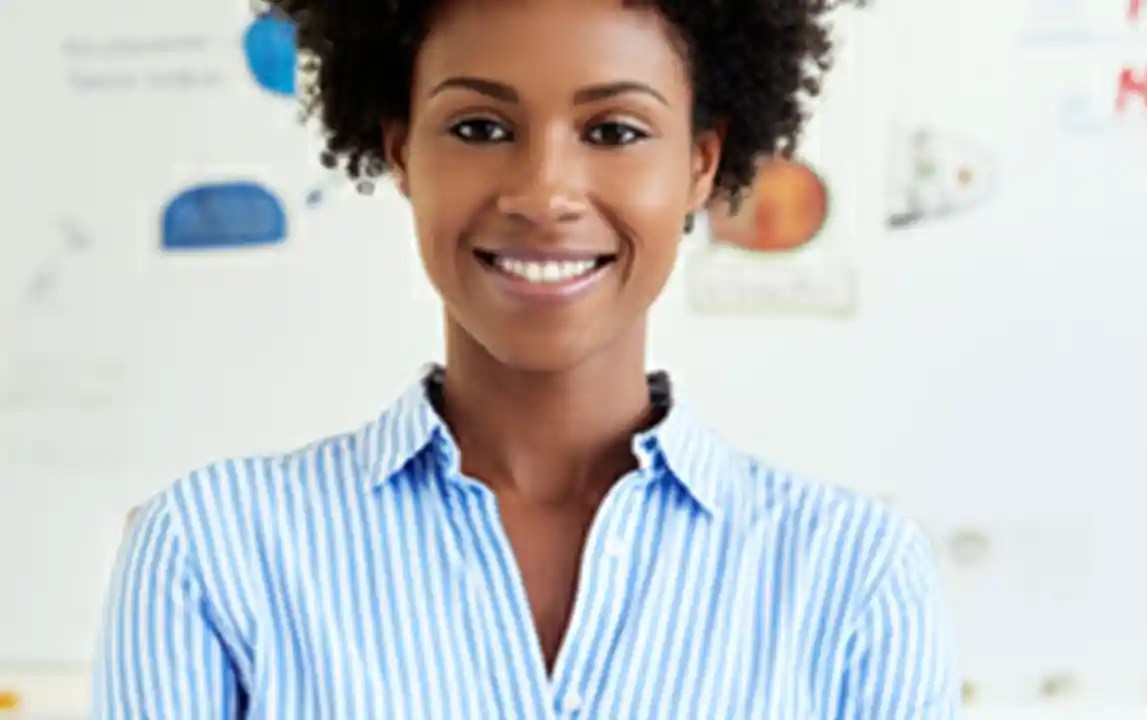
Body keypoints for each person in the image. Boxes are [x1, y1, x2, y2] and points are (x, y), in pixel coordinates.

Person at [92, 0, 961, 717]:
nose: (544, 193)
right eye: (478, 126)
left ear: (702, 163)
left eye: (615, 131)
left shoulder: (853, 579)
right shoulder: (211, 555)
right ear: (401, 150)